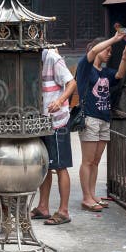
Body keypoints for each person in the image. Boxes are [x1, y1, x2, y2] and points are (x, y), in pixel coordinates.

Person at [75, 32, 126, 212]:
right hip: (90, 118)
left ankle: (92, 194)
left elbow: (120, 75)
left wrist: (124, 57)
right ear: (96, 50)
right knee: (88, 160)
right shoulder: (86, 67)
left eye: (110, 51)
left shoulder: (105, 72)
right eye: (106, 50)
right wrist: (114, 39)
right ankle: (86, 197)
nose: (109, 53)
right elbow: (92, 53)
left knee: (96, 161)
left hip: (104, 118)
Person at [31, 48, 77, 225]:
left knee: (60, 166)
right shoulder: (30, 58)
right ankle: (43, 207)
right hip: (41, 122)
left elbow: (72, 83)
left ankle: (64, 211)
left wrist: (59, 101)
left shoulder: (52, 58)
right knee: (45, 165)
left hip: (57, 122)